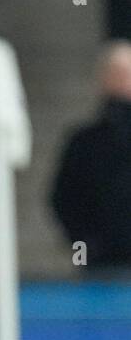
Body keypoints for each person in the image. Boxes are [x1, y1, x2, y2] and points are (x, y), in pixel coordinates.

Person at [51, 41, 131, 269]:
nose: (123, 82)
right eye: (117, 74)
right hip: (103, 267)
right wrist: (88, 245)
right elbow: (64, 199)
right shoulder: (84, 142)